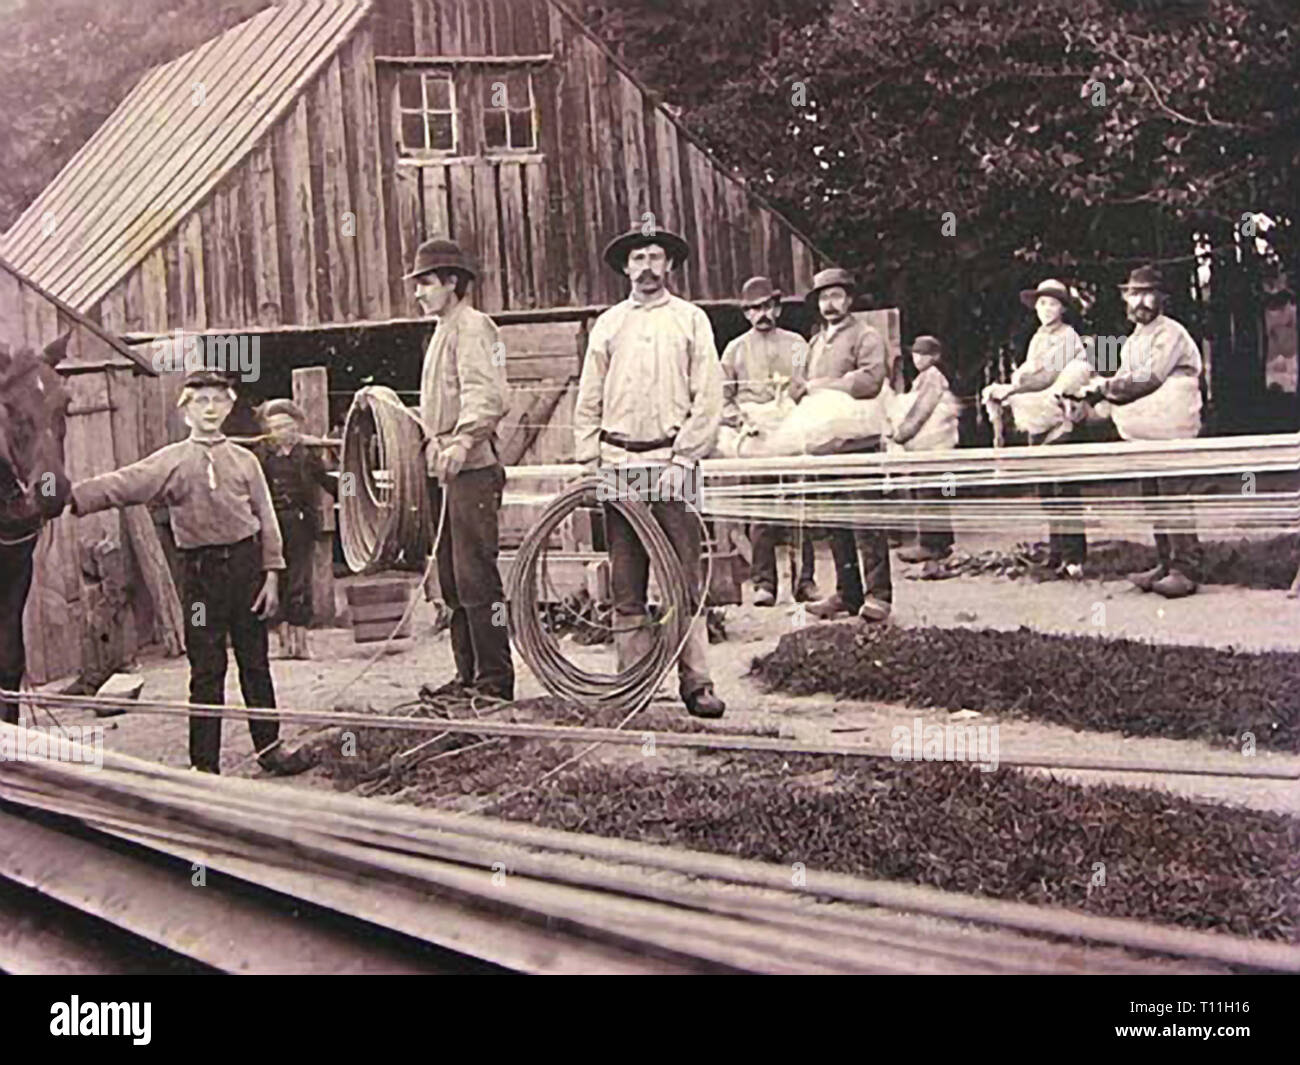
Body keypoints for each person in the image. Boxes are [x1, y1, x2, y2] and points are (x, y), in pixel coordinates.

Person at [68, 368, 311, 775]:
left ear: (229, 406)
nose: (210, 408)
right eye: (201, 401)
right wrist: (70, 496)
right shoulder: (172, 461)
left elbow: (267, 520)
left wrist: (272, 574)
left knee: (255, 661)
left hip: (247, 572)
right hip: (200, 580)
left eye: (218, 400)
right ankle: (204, 766)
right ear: (186, 411)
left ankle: (270, 749)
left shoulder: (246, 461)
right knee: (206, 667)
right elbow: (124, 483)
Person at [574, 225, 726, 719]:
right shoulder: (609, 325)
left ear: (670, 265)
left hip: (672, 461)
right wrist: (589, 462)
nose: (646, 266)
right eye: (637, 257)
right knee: (626, 580)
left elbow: (709, 395)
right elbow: (588, 398)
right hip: (620, 463)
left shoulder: (691, 320)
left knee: (682, 576)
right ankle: (632, 686)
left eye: (655, 256)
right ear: (625, 268)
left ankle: (697, 683)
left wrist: (685, 458)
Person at [409, 238, 515, 700]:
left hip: (472, 469)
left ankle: (495, 680)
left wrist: (464, 439)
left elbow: (487, 392)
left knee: (477, 576)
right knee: (452, 577)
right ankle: (467, 676)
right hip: (444, 469)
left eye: (426, 284)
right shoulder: (441, 330)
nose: (419, 294)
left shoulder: (474, 327)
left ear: (452, 282)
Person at [1082, 265, 1204, 599]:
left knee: (1174, 495)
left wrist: (1103, 388)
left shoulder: (1171, 333)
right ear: (1125, 298)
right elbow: (1122, 385)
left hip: (1172, 427)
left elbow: (1148, 379)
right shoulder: (1134, 339)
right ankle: (1164, 562)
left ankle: (1186, 568)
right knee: (1152, 495)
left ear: (1162, 298)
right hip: (1145, 431)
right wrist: (1089, 404)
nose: (1140, 301)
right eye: (1133, 294)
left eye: (1148, 293)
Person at [797, 267, 894, 623]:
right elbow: (803, 384)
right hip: (826, 446)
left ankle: (878, 596)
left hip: (857, 442)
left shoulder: (866, 336)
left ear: (849, 299)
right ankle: (847, 593)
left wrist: (825, 386)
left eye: (836, 296)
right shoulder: (815, 343)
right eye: (824, 297)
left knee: (866, 519)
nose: (830, 304)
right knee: (834, 520)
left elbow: (870, 380)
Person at [719, 275, 817, 606]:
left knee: (799, 510)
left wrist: (790, 409)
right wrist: (743, 421)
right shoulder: (734, 350)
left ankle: (804, 582)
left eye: (767, 307)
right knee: (761, 512)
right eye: (754, 309)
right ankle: (764, 584)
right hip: (756, 436)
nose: (762, 314)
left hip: (790, 430)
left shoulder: (798, 344)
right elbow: (722, 398)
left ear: (777, 308)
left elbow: (808, 384)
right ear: (745, 313)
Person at [986, 278, 1092, 577]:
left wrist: (1013, 390)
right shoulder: (1037, 338)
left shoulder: (1069, 337)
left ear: (1063, 309)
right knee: (1045, 487)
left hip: (1062, 418)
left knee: (1065, 486)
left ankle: (1074, 557)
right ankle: (1056, 552)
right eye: (1042, 303)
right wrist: (1016, 388)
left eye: (1053, 304)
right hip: (1038, 416)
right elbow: (1029, 373)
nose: (1046, 309)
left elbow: (1048, 376)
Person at [252, 399, 337, 659]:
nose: (282, 432)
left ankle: (301, 645)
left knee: (299, 581)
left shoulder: (308, 455)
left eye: (287, 426)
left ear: (296, 427)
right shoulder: (261, 457)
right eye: (276, 427)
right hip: (270, 525)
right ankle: (282, 645)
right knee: (275, 579)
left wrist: (354, 485)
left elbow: (329, 482)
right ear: (269, 430)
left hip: (300, 523)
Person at [887, 335, 960, 565]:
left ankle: (931, 544)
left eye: (924, 354)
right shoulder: (923, 378)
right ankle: (940, 541)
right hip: (934, 445)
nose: (918, 359)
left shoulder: (932, 378)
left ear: (935, 357)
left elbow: (922, 410)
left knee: (931, 492)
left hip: (934, 445)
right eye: (916, 354)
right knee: (932, 491)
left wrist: (902, 434)